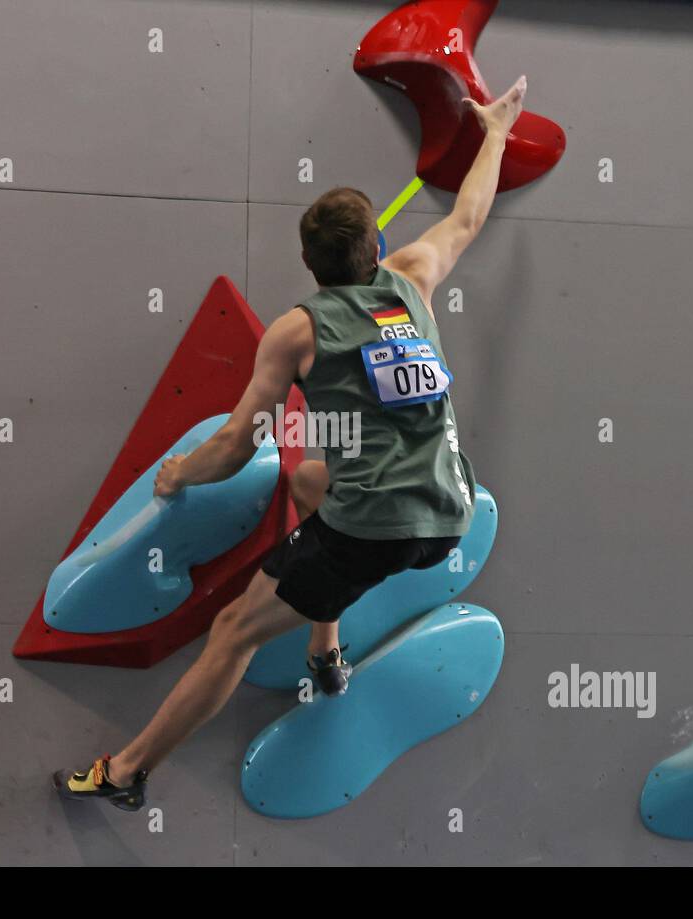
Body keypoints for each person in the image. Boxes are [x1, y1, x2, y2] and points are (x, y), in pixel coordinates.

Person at [55, 76, 530, 810]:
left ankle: (126, 772)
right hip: (448, 512)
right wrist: (495, 131)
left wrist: (181, 473)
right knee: (313, 481)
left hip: (372, 533)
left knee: (233, 631)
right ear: (378, 246)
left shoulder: (297, 331)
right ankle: (325, 648)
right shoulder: (414, 278)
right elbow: (469, 215)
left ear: (311, 265)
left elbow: (239, 449)